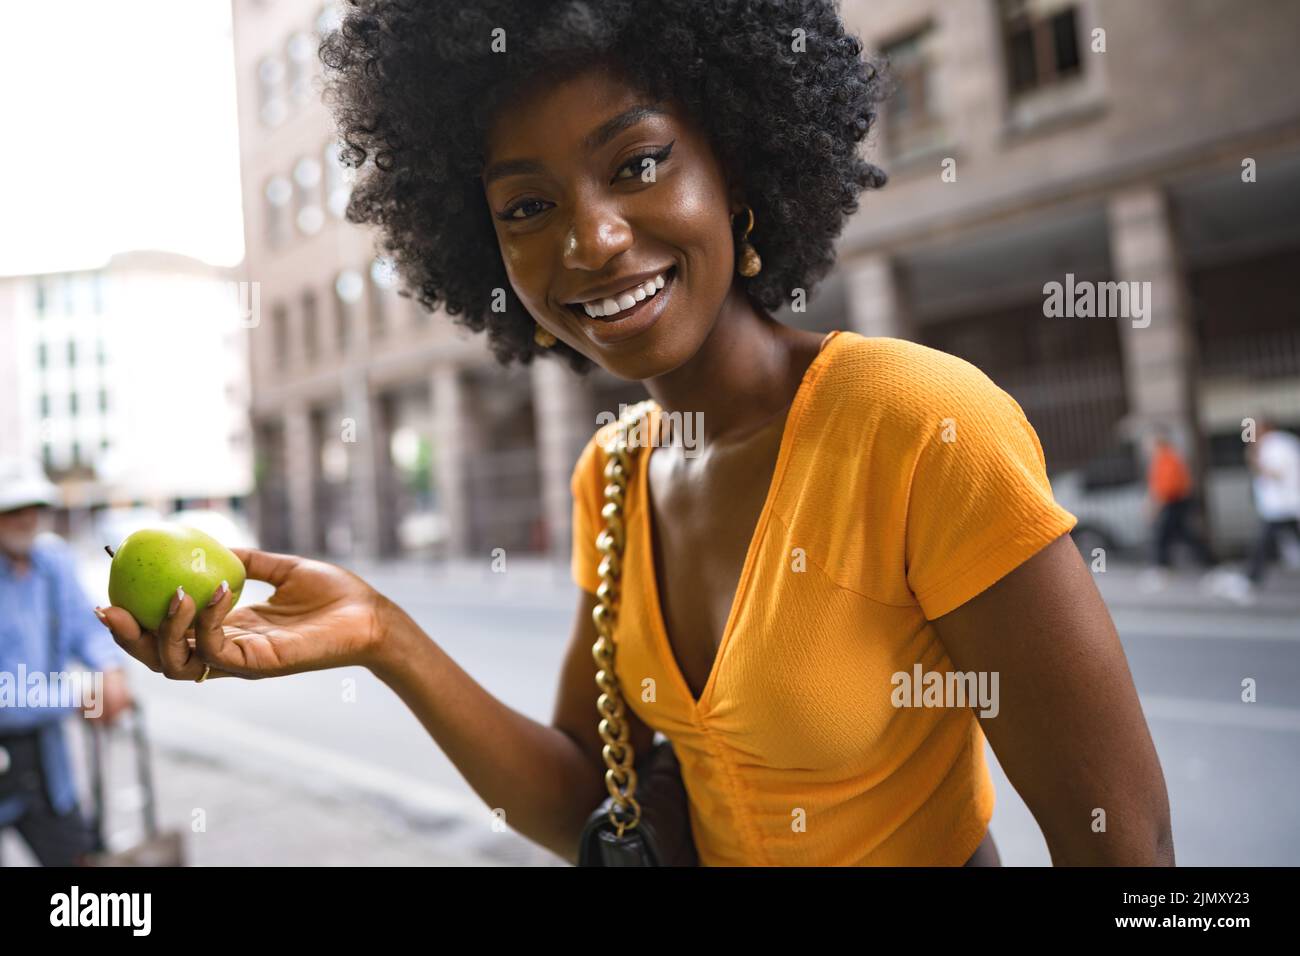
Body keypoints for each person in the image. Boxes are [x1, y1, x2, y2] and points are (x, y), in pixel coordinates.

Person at [98, 0, 1173, 866]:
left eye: (639, 162)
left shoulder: (920, 421)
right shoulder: (610, 475)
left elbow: (1125, 849)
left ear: (736, 164)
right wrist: (382, 633)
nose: (593, 239)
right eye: (525, 208)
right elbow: (583, 797)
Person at [0, 457, 133, 866]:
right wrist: (76, 698)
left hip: (44, 759)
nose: (24, 520)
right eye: (11, 511)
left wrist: (109, 669)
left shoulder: (52, 563)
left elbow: (84, 626)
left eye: (31, 508)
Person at [1141, 427, 1216, 590]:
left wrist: (1155, 506)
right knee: (1181, 534)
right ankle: (1207, 561)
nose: (1146, 447)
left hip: (1175, 502)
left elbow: (1167, 488)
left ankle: (1162, 569)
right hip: (1174, 502)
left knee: (1164, 535)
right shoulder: (1161, 458)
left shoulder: (1167, 458)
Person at [1244, 416, 1300, 588]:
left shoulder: (1273, 445)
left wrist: (1253, 459)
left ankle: (1253, 577)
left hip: (1280, 504)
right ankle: (1253, 576)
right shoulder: (1287, 442)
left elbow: (1274, 473)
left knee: (1263, 542)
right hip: (1286, 502)